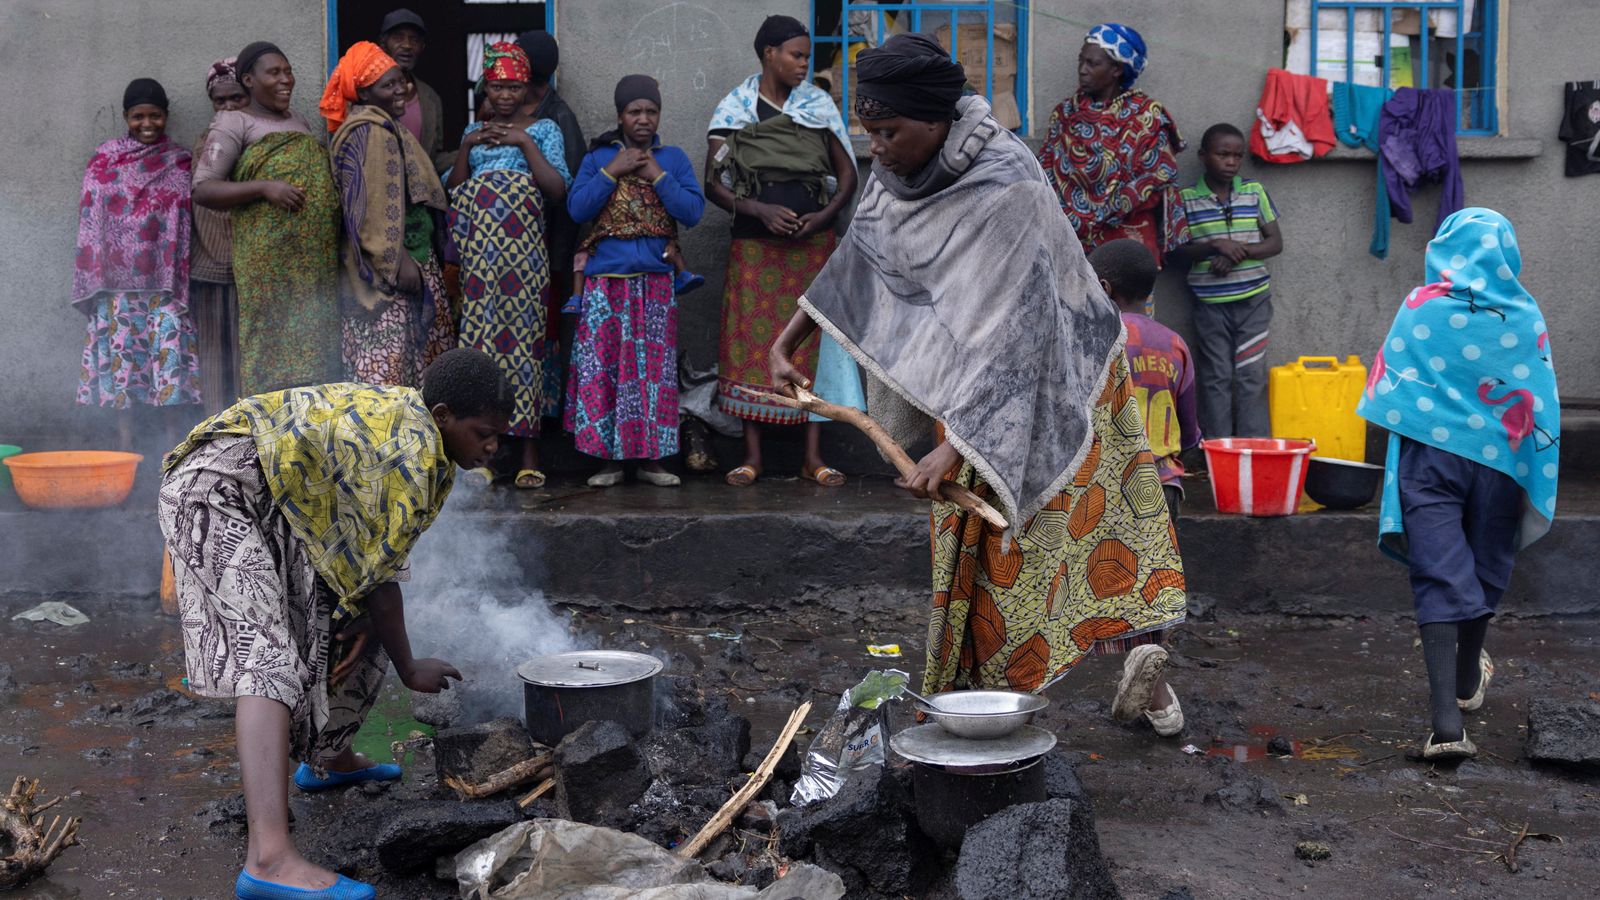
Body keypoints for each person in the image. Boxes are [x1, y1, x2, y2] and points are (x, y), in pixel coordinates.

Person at [772, 33, 1188, 737]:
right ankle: (993, 702)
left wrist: (955, 448)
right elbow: (860, 256)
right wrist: (787, 343)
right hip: (976, 390)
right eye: (869, 132)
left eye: (889, 132)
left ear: (936, 121)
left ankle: (1089, 695)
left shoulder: (1009, 186)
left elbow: (1023, 337)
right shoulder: (906, 169)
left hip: (1070, 387)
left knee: (1068, 541)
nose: (878, 148)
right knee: (994, 544)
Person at [159, 348, 507, 900]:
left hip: (276, 498)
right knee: (268, 658)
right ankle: (268, 860)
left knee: (353, 626)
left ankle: (329, 759)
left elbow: (373, 575)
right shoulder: (410, 453)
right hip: (216, 490)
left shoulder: (427, 443)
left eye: (498, 436)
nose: (492, 447)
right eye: (484, 433)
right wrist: (410, 667)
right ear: (442, 415)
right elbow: (383, 586)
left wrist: (368, 619)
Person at [1356, 208, 1560, 761]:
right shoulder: (1522, 313)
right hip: (1501, 464)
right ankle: (1467, 677)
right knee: (1486, 561)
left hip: (1429, 459)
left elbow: (1390, 389)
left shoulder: (1421, 307)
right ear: (1506, 253)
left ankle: (1448, 722)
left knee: (1440, 571)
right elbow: (1540, 395)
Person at [706, 14, 864, 488]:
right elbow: (712, 183)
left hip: (812, 246)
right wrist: (758, 209)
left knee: (813, 346)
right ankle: (751, 455)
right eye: (795, 55)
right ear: (769, 53)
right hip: (755, 247)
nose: (802, 64)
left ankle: (812, 457)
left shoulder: (817, 105)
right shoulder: (735, 108)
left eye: (806, 56)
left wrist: (824, 215)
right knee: (751, 344)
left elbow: (849, 174)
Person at [565, 76, 705, 487]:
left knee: (651, 375)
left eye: (651, 111)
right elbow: (577, 209)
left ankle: (652, 461)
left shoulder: (673, 158)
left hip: (657, 285)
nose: (643, 119)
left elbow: (693, 212)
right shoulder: (598, 158)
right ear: (620, 116)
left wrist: (659, 174)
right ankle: (607, 461)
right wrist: (613, 170)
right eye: (634, 111)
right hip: (605, 284)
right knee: (605, 373)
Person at [446, 41, 570, 489]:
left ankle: (529, 456)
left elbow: (556, 189)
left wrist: (522, 141)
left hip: (525, 265)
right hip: (480, 263)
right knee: (480, 354)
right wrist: (468, 147)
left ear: (526, 88)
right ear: (486, 88)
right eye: (497, 86)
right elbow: (455, 192)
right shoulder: (472, 133)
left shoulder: (545, 130)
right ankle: (482, 458)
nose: (505, 95)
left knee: (527, 353)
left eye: (514, 86)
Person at [193, 42, 342, 397]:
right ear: (248, 80)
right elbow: (203, 188)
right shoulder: (234, 121)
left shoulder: (300, 121)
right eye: (273, 72)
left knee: (317, 364)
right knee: (271, 360)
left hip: (312, 271)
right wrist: (264, 188)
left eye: (288, 71)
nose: (285, 79)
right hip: (270, 272)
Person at [74, 78, 201, 448]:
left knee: (170, 367)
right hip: (117, 289)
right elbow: (90, 219)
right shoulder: (104, 160)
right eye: (138, 116)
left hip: (165, 287)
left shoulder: (179, 161)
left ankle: (173, 446)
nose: (147, 123)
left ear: (166, 116)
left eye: (155, 116)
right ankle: (125, 448)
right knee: (122, 370)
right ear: (126, 116)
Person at [322, 41, 454, 387]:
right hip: (390, 271)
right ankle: (391, 438)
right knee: (389, 369)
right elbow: (370, 210)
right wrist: (398, 260)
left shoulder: (378, 125)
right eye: (388, 85)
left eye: (401, 81)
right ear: (364, 93)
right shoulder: (371, 132)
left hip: (394, 260)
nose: (400, 90)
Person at [1036, 23, 1188, 264]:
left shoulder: (1146, 117)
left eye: (1092, 63)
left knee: (1127, 302)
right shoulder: (1065, 114)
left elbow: (1159, 177)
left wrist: (1109, 210)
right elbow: (1044, 174)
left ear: (1117, 69)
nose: (1082, 70)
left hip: (1128, 241)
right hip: (1070, 243)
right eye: (1081, 61)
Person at [1175, 123, 1283, 439]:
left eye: (1237, 156)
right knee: (1215, 375)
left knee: (1251, 373)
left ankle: (1253, 447)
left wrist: (1237, 250)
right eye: (1223, 155)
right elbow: (1176, 252)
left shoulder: (1254, 192)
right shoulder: (1186, 199)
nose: (1231, 162)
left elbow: (1275, 243)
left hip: (1254, 301)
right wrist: (1213, 246)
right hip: (1209, 305)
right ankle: (1216, 448)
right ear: (1203, 156)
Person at [1089, 239, 1200, 520]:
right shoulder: (1175, 344)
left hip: (1106, 487)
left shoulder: (1092, 340)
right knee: (1159, 565)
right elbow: (1189, 436)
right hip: (1162, 487)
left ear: (1104, 288)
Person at [192, 59, 249, 415]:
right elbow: (209, 213)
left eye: (236, 98)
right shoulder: (210, 144)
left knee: (246, 360)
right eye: (220, 100)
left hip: (248, 270)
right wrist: (232, 260)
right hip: (214, 272)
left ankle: (246, 438)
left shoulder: (255, 140)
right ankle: (213, 438)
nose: (228, 107)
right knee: (213, 365)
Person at [516, 29, 588, 314]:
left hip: (544, 241)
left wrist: (557, 261)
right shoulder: (506, 109)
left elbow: (569, 192)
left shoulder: (559, 116)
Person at [376, 8, 451, 172]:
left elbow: (434, 158)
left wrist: (470, 149)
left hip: (421, 193)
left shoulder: (430, 98)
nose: (408, 45)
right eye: (398, 38)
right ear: (383, 44)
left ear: (422, 47)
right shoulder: (367, 92)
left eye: (414, 40)